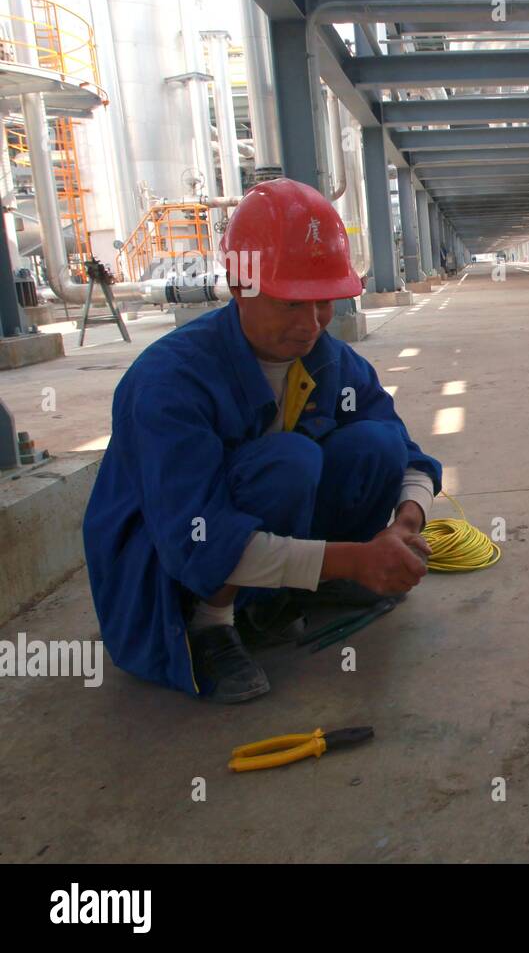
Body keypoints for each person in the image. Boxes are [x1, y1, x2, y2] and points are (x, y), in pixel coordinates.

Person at [83, 179, 440, 703]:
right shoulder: (170, 381)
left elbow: (407, 456)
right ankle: (211, 623)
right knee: (289, 462)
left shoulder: (331, 361)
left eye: (324, 303)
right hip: (166, 569)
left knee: (377, 443)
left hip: (254, 542)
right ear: (239, 286)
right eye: (291, 303)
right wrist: (355, 559)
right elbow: (192, 538)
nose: (312, 324)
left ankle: (293, 590)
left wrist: (404, 526)